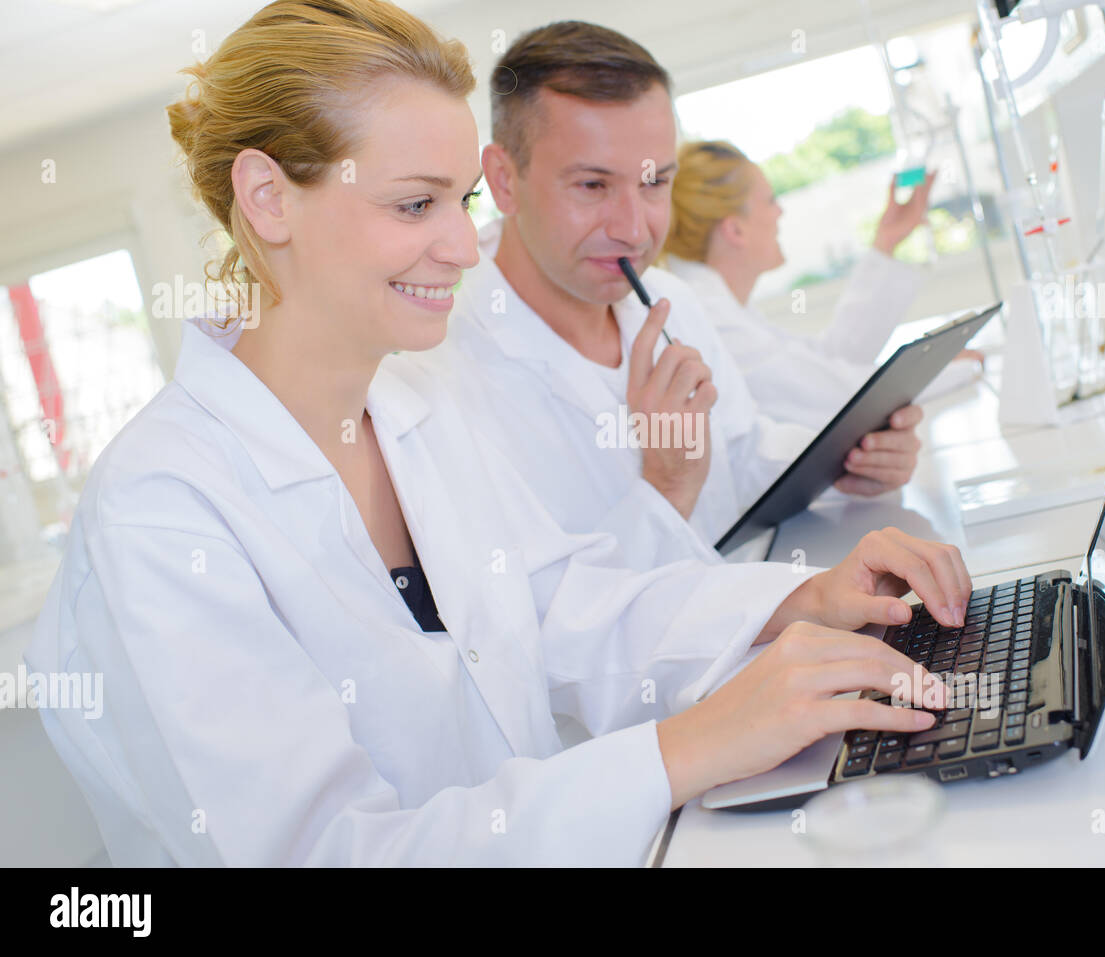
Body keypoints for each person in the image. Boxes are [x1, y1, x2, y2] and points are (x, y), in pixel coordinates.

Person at [23, 0, 970, 867]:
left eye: (458, 203)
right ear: (269, 200)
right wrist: (687, 748)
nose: (458, 244)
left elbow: (557, 607)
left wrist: (801, 599)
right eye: (413, 204)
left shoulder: (408, 403)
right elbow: (318, 854)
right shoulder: (161, 510)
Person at [430, 20, 929, 552]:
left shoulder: (672, 302)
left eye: (653, 183)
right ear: (505, 181)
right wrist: (667, 485)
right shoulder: (446, 373)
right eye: (593, 185)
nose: (633, 228)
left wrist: (845, 464)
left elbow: (743, 452)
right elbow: (545, 617)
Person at [664, 140, 983, 432]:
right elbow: (835, 399)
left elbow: (831, 359)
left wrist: (886, 240)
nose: (780, 211)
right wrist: (938, 367)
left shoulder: (726, 309)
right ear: (735, 229)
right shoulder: (709, 319)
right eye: (770, 200)